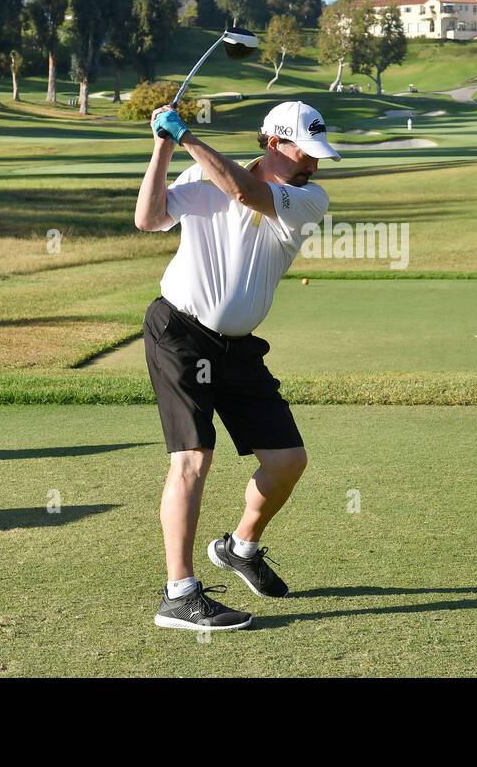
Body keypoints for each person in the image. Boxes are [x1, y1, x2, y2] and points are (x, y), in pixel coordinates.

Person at [134, 100, 341, 631]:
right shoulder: (201, 176)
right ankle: (179, 594)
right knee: (192, 459)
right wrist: (163, 147)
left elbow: (244, 192)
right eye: (305, 152)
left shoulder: (307, 198)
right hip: (179, 332)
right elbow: (149, 219)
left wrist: (186, 137)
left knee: (288, 461)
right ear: (274, 143)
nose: (313, 163)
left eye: (317, 154)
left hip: (238, 348)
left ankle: (240, 548)